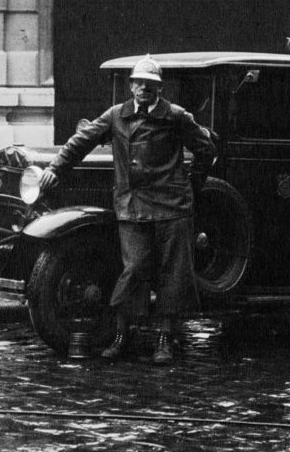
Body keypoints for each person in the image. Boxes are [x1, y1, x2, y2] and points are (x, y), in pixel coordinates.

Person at [38, 55, 215, 365]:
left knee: (173, 273)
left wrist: (190, 184)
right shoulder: (116, 115)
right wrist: (55, 168)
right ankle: (122, 335)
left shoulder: (175, 116)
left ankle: (164, 339)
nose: (144, 88)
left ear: (160, 88)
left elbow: (206, 148)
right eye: (139, 83)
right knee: (133, 268)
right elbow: (82, 141)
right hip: (132, 206)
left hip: (172, 206)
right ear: (131, 86)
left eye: (151, 84)